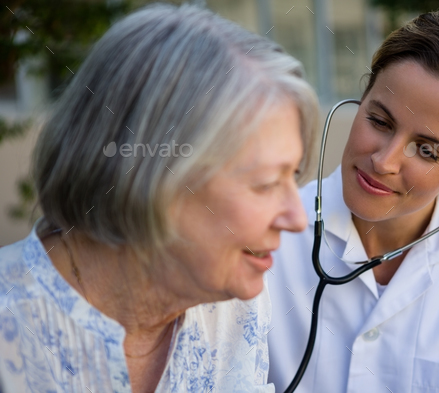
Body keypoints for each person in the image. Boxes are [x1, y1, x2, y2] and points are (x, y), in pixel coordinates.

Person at [0, 4, 319, 392]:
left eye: (294, 175)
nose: (297, 217)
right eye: (267, 182)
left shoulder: (236, 305)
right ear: (152, 176)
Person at [267, 8, 439, 393]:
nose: (384, 161)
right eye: (379, 122)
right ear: (363, 98)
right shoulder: (263, 234)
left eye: (427, 151)